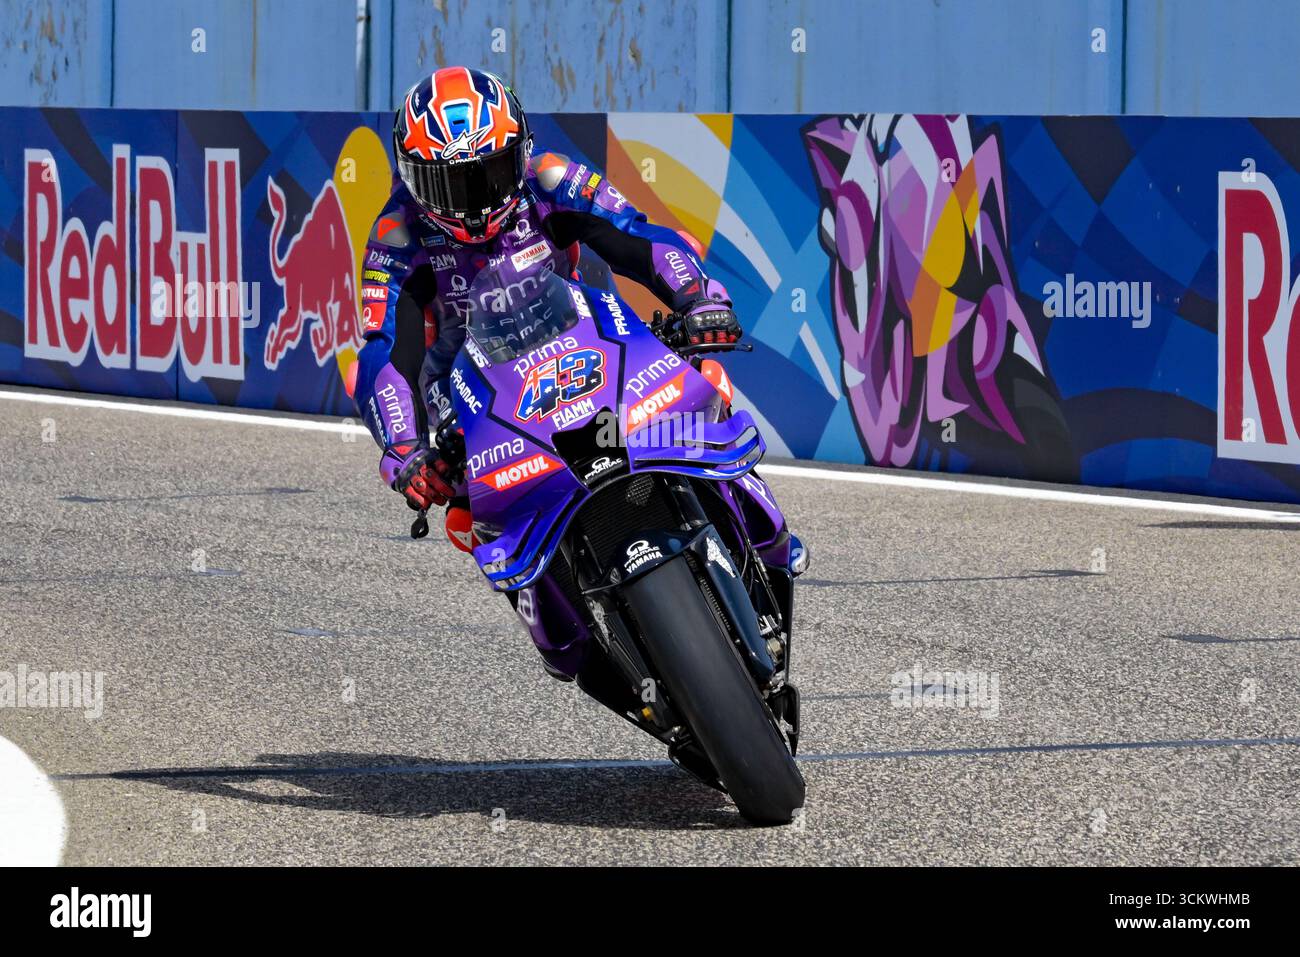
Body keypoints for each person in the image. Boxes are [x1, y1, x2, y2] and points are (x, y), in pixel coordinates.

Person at [353, 66, 742, 528]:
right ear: (413, 179)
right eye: (450, 184)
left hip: (582, 348)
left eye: (491, 172)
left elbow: (634, 237)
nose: (474, 201)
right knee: (464, 515)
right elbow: (385, 352)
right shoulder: (396, 234)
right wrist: (406, 451)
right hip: (475, 401)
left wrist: (697, 299)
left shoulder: (551, 178)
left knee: (705, 386)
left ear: (522, 152)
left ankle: (751, 521)